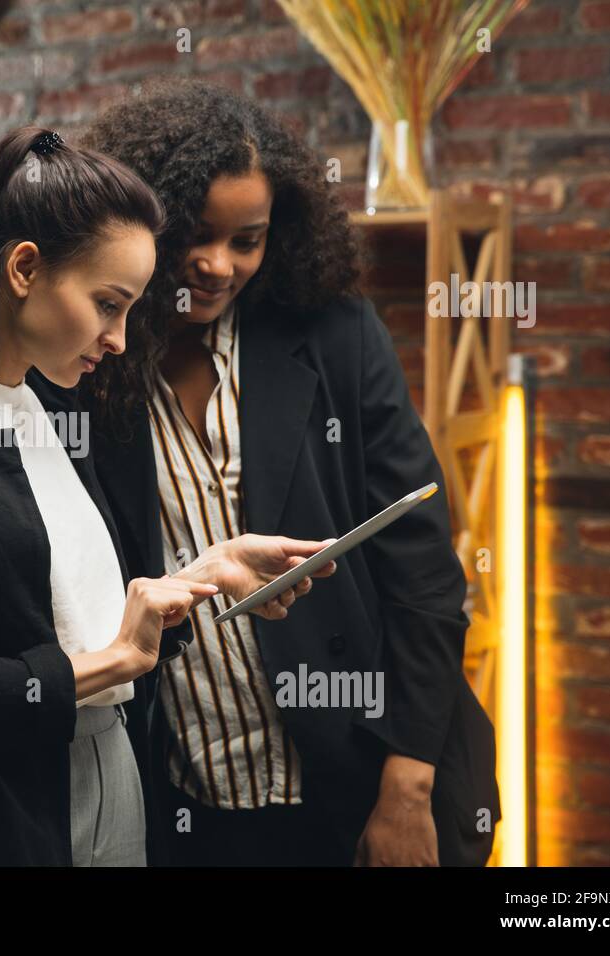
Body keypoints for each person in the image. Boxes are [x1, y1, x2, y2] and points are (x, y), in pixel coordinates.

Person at [0, 126, 335, 867]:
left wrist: (204, 573)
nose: (120, 339)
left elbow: (80, 620)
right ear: (24, 268)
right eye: (107, 304)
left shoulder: (56, 410)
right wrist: (114, 664)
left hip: (108, 769)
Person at [80, 79, 500, 866]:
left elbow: (424, 575)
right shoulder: (93, 368)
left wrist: (406, 788)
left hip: (360, 786)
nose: (219, 265)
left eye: (248, 239)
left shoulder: (335, 334)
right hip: (190, 800)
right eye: (195, 235)